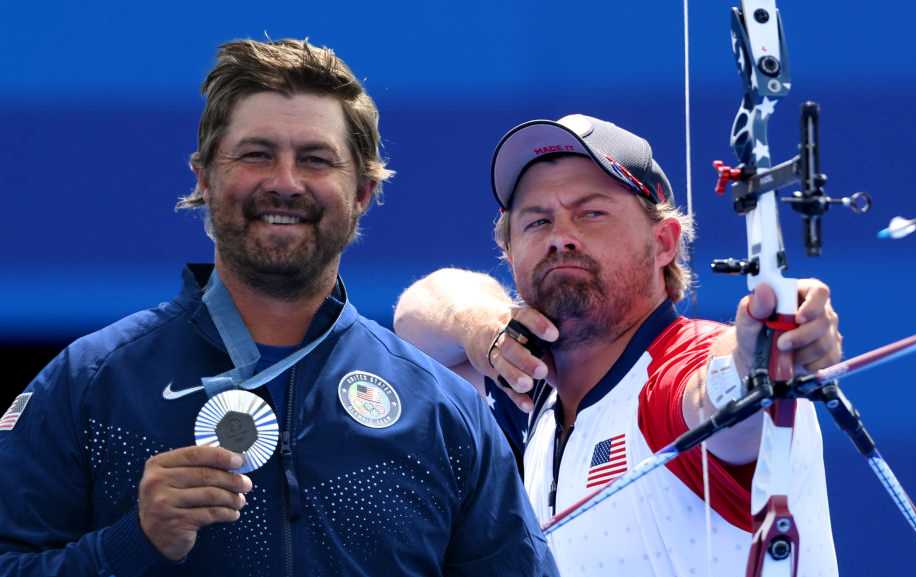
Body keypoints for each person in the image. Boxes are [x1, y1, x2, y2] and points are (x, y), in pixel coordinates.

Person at [0, 39, 558, 577]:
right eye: (256, 154)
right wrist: (131, 544)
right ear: (205, 177)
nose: (285, 183)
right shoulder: (91, 384)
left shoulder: (442, 411)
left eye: (315, 159)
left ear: (362, 192)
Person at [394, 114, 841, 576]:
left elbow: (718, 392)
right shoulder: (529, 391)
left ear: (663, 243)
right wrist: (485, 331)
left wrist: (759, 354)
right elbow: (416, 314)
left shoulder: (671, 374)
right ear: (509, 253)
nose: (560, 238)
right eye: (537, 221)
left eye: (591, 213)